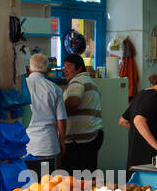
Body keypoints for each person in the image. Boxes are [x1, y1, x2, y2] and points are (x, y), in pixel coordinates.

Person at [23, 53, 66, 183]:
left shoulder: (21, 87)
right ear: (47, 70)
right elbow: (61, 120)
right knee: (48, 187)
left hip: (26, 146)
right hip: (48, 145)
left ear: (29, 69)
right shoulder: (55, 89)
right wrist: (62, 141)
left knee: (27, 190)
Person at [62, 54, 102, 176]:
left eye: (69, 67)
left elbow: (74, 101)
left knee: (76, 180)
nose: (65, 70)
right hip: (91, 135)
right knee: (88, 176)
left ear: (79, 68)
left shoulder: (77, 81)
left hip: (81, 141)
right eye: (64, 67)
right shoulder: (88, 81)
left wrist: (60, 114)